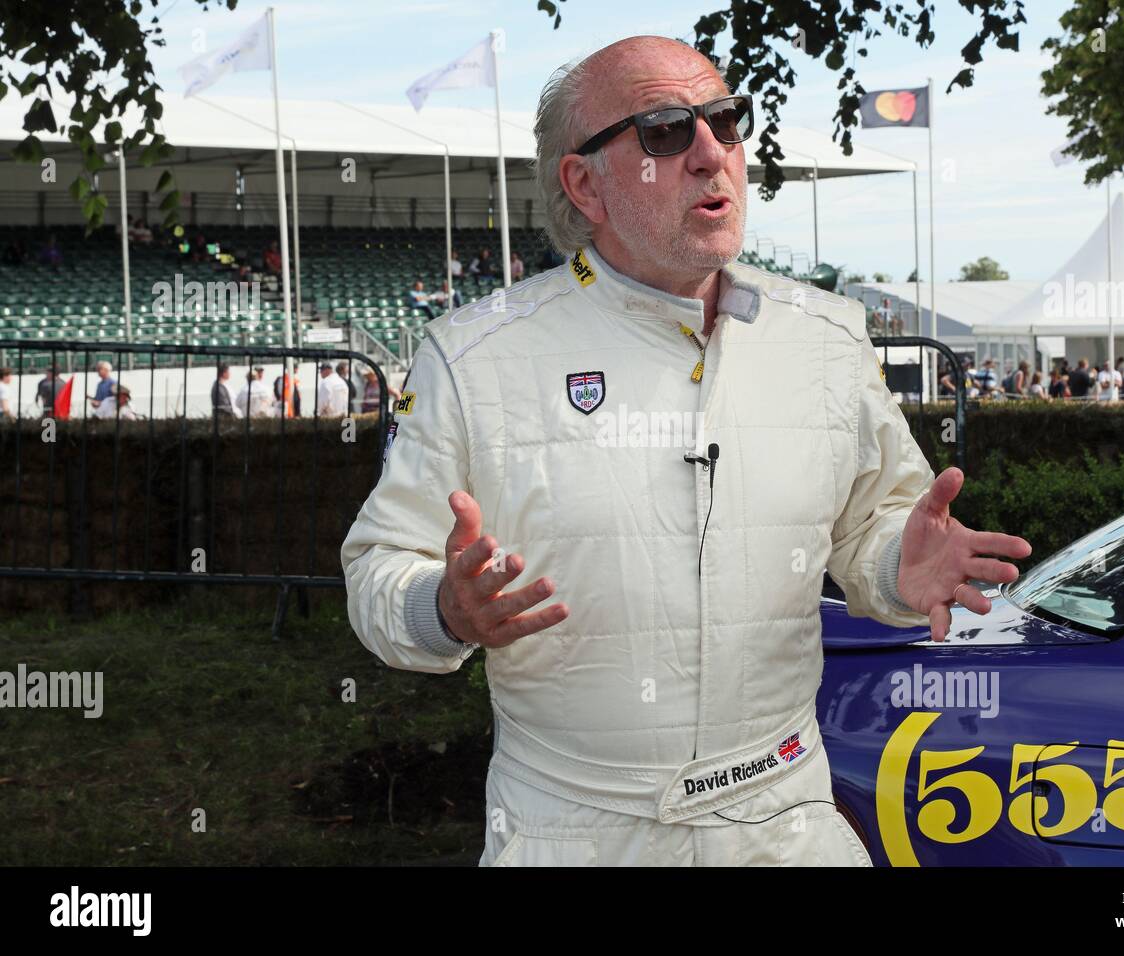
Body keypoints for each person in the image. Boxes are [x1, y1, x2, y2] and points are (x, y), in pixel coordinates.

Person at [340, 35, 1031, 868]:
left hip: (787, 823)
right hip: (572, 833)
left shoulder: (828, 336)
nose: (712, 153)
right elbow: (380, 568)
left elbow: (872, 528)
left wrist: (896, 567)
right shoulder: (472, 355)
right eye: (665, 131)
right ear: (584, 183)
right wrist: (444, 610)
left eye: (726, 122)